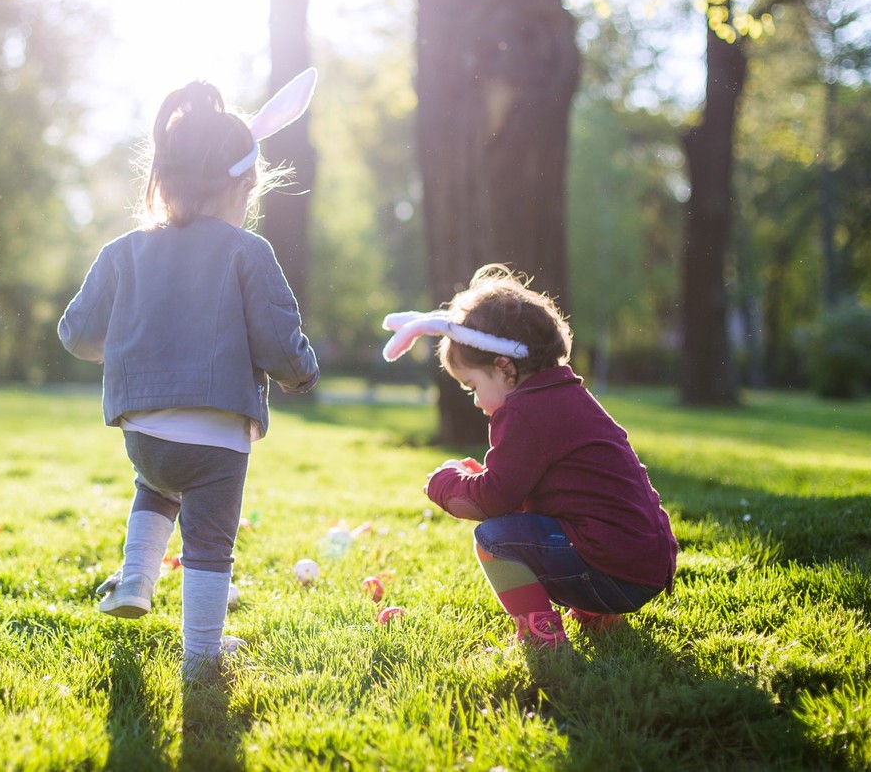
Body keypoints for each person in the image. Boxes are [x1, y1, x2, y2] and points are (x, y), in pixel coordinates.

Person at [59, 71, 320, 680]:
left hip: (144, 435)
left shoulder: (123, 251)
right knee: (208, 543)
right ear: (245, 185)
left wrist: (125, 348)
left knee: (155, 488)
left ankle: (135, 581)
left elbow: (76, 333)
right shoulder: (247, 251)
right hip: (218, 438)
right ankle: (202, 658)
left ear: (163, 179)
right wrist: (300, 375)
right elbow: (279, 340)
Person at [381, 264, 677, 649]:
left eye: (472, 386)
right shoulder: (563, 394)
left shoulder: (523, 411)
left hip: (612, 571)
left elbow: (493, 500)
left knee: (493, 540)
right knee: (529, 527)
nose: (474, 400)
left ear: (505, 367)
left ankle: (541, 634)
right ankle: (597, 613)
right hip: (643, 563)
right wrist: (486, 477)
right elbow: (549, 487)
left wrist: (445, 485)